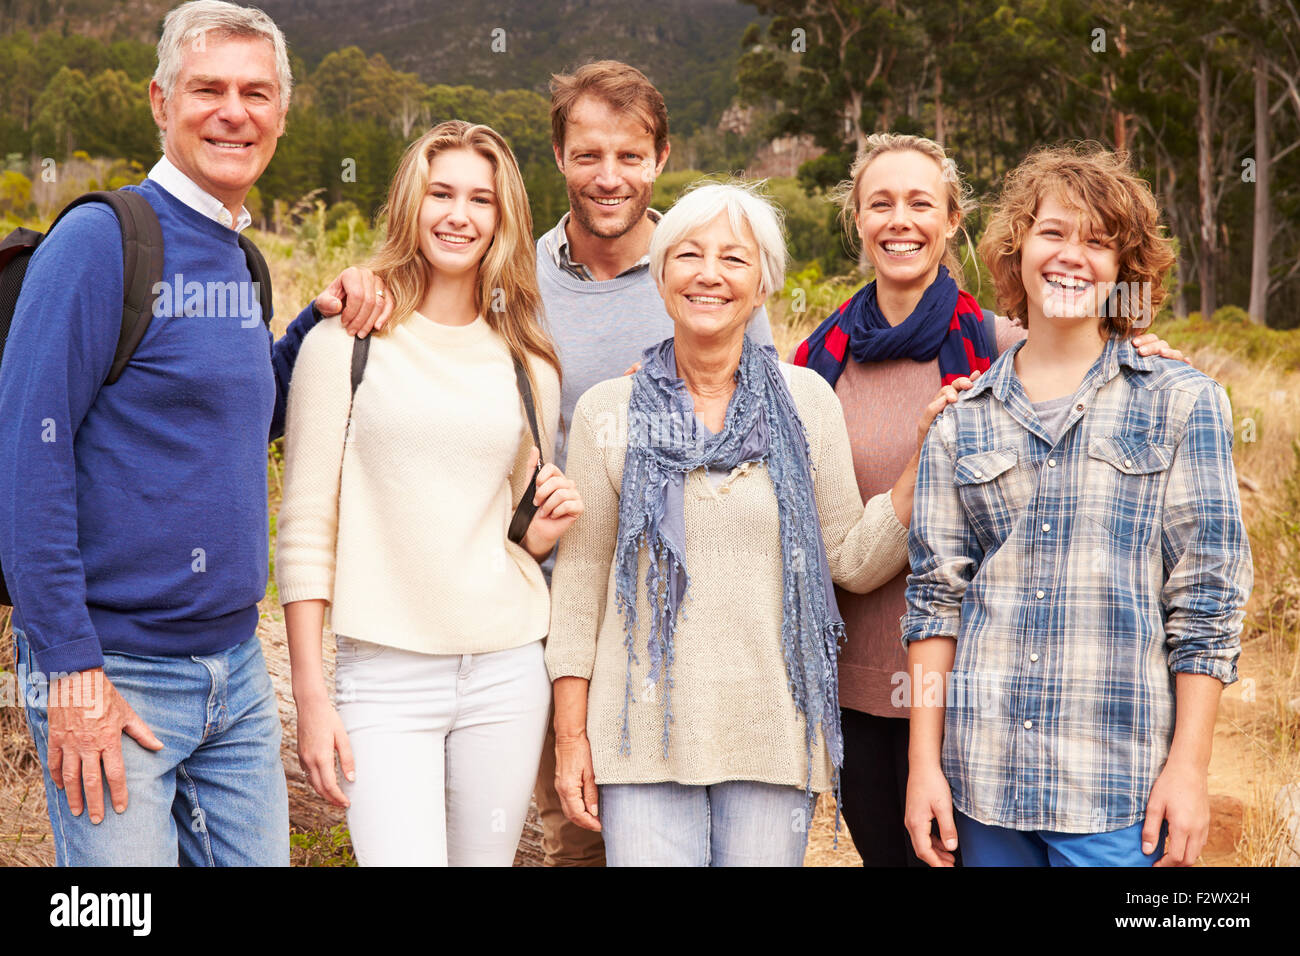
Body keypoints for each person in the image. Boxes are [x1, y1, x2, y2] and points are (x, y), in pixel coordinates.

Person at [324, 60, 777, 866]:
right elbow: (429, 334)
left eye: (631, 156)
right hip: (545, 614)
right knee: (577, 831)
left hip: (685, 622)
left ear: (661, 157)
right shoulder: (512, 280)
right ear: (560, 157)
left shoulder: (710, 279)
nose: (610, 178)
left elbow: (766, 441)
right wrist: (359, 287)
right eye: (589, 155)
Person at [0, 0, 386, 867]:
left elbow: (246, 416)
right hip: (116, 672)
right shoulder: (102, 243)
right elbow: (28, 458)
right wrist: (71, 669)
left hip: (237, 675)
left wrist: (311, 332)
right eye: (206, 88)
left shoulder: (242, 257)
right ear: (160, 101)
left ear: (281, 115)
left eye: (256, 92)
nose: (232, 111)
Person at [792, 132, 1190, 866]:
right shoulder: (815, 365)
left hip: (988, 697)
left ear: (953, 221)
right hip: (855, 685)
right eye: (880, 203)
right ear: (856, 218)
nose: (899, 219)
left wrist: (1142, 351)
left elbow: (1086, 351)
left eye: (921, 202)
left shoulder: (1002, 345)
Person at [547, 181, 951, 866]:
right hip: (639, 736)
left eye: (734, 259)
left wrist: (917, 471)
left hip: (773, 733)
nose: (709, 275)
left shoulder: (807, 402)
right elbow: (581, 584)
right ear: (662, 275)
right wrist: (570, 737)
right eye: (689, 256)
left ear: (762, 283)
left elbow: (848, 561)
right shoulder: (606, 412)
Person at [901, 143, 1252, 867]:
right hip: (983, 787)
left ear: (1125, 271)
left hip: (1118, 793)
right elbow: (936, 601)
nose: (1072, 257)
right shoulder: (960, 420)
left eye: (1099, 243)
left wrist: (1189, 770)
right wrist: (923, 765)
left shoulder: (1184, 405)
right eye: (1054, 232)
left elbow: (1208, 605)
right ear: (1017, 250)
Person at [275, 120, 581, 867]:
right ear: (411, 204)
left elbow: (507, 528)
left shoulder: (529, 362)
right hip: (384, 675)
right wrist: (314, 697)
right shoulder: (342, 343)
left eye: (481, 199)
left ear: (503, 219)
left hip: (507, 669)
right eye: (441, 193)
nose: (459, 214)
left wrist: (542, 533)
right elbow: (307, 528)